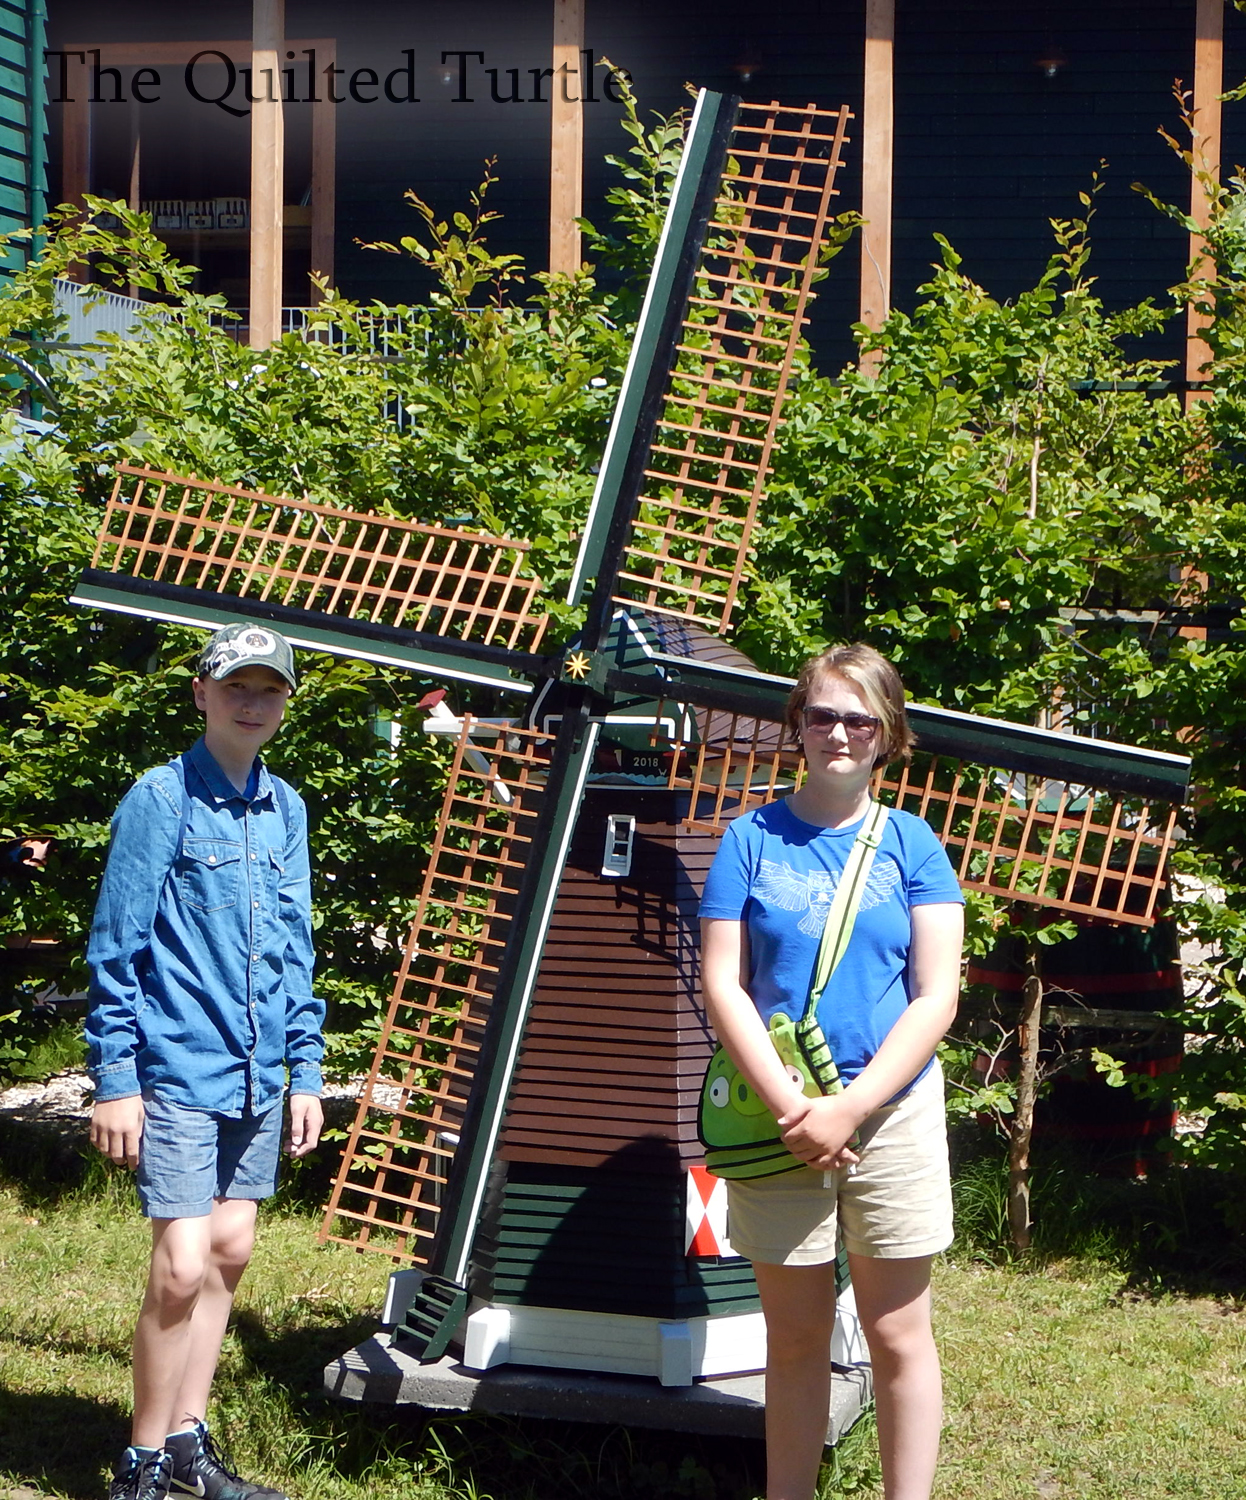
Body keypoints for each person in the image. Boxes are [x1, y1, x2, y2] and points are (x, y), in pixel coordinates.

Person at [699, 643, 964, 1500]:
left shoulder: (914, 846)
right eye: (823, 715)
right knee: (797, 1337)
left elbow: (936, 996)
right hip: (778, 1122)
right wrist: (795, 1107)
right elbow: (721, 980)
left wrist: (849, 1109)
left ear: (888, 735)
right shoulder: (750, 838)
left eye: (859, 718)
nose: (839, 733)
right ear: (797, 728)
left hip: (890, 1115)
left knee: (897, 1333)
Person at [86, 623, 325, 1500]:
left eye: (269, 689)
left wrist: (307, 1067)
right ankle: (141, 1461)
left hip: (261, 1073)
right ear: (201, 693)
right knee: (180, 1265)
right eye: (236, 686)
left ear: (284, 704)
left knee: (227, 1249)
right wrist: (115, 1081)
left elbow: (296, 948)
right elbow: (117, 948)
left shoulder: (288, 808)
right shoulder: (160, 798)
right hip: (179, 1064)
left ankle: (189, 1442)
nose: (252, 702)